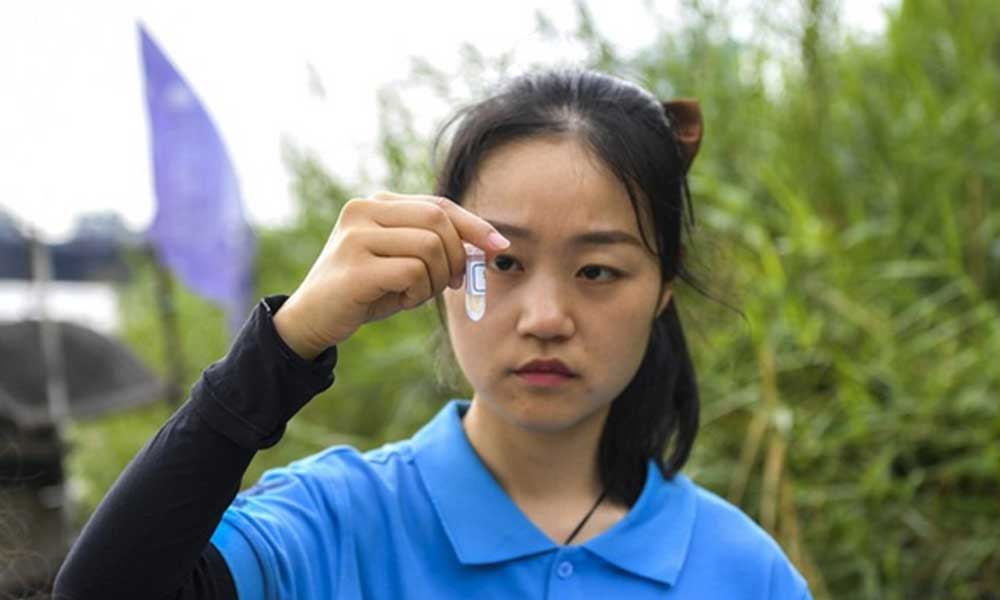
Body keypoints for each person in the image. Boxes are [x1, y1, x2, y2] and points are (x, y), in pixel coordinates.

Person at [53, 68, 812, 599]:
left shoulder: (745, 571)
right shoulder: (333, 524)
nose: (545, 318)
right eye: (505, 262)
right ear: (448, 269)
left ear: (663, 289)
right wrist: (286, 342)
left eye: (599, 271)